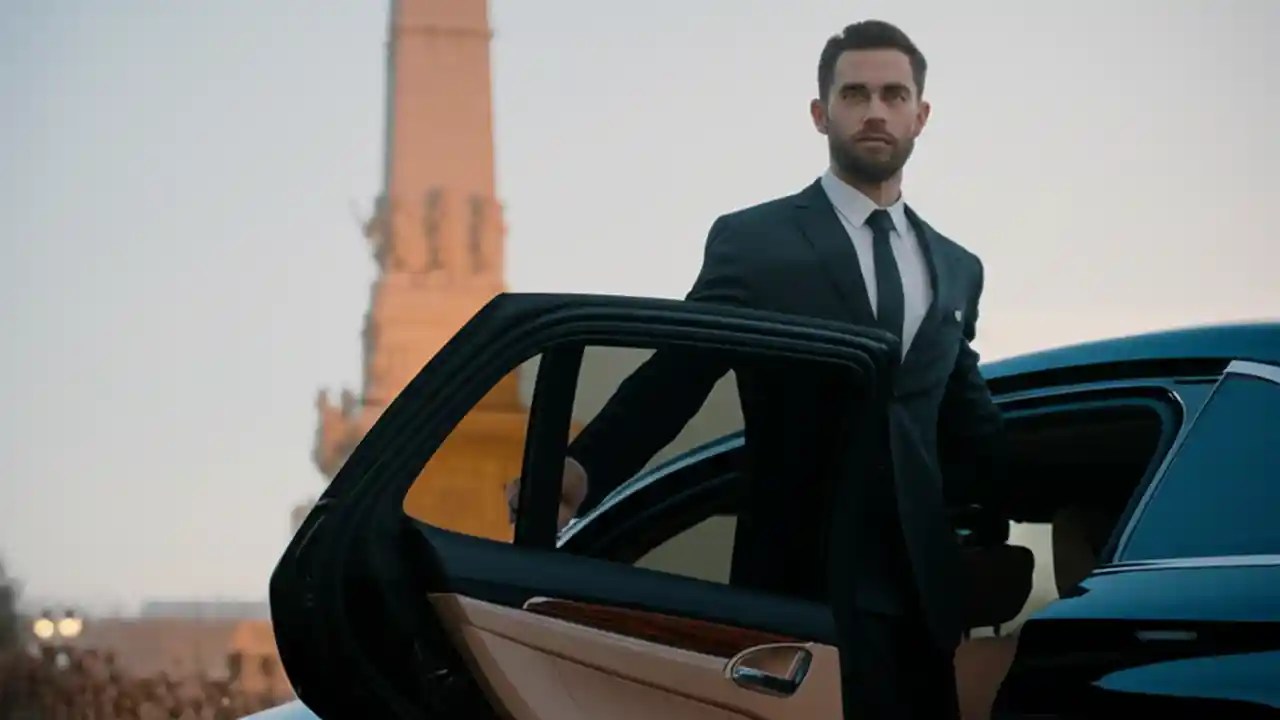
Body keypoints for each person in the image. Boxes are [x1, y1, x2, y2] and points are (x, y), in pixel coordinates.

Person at [507, 19, 1006, 719]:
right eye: (854, 93)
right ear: (820, 112)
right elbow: (677, 374)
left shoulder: (957, 268)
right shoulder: (754, 241)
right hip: (798, 595)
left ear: (921, 115)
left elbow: (969, 426)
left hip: (920, 605)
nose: (874, 110)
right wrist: (581, 471)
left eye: (894, 95)